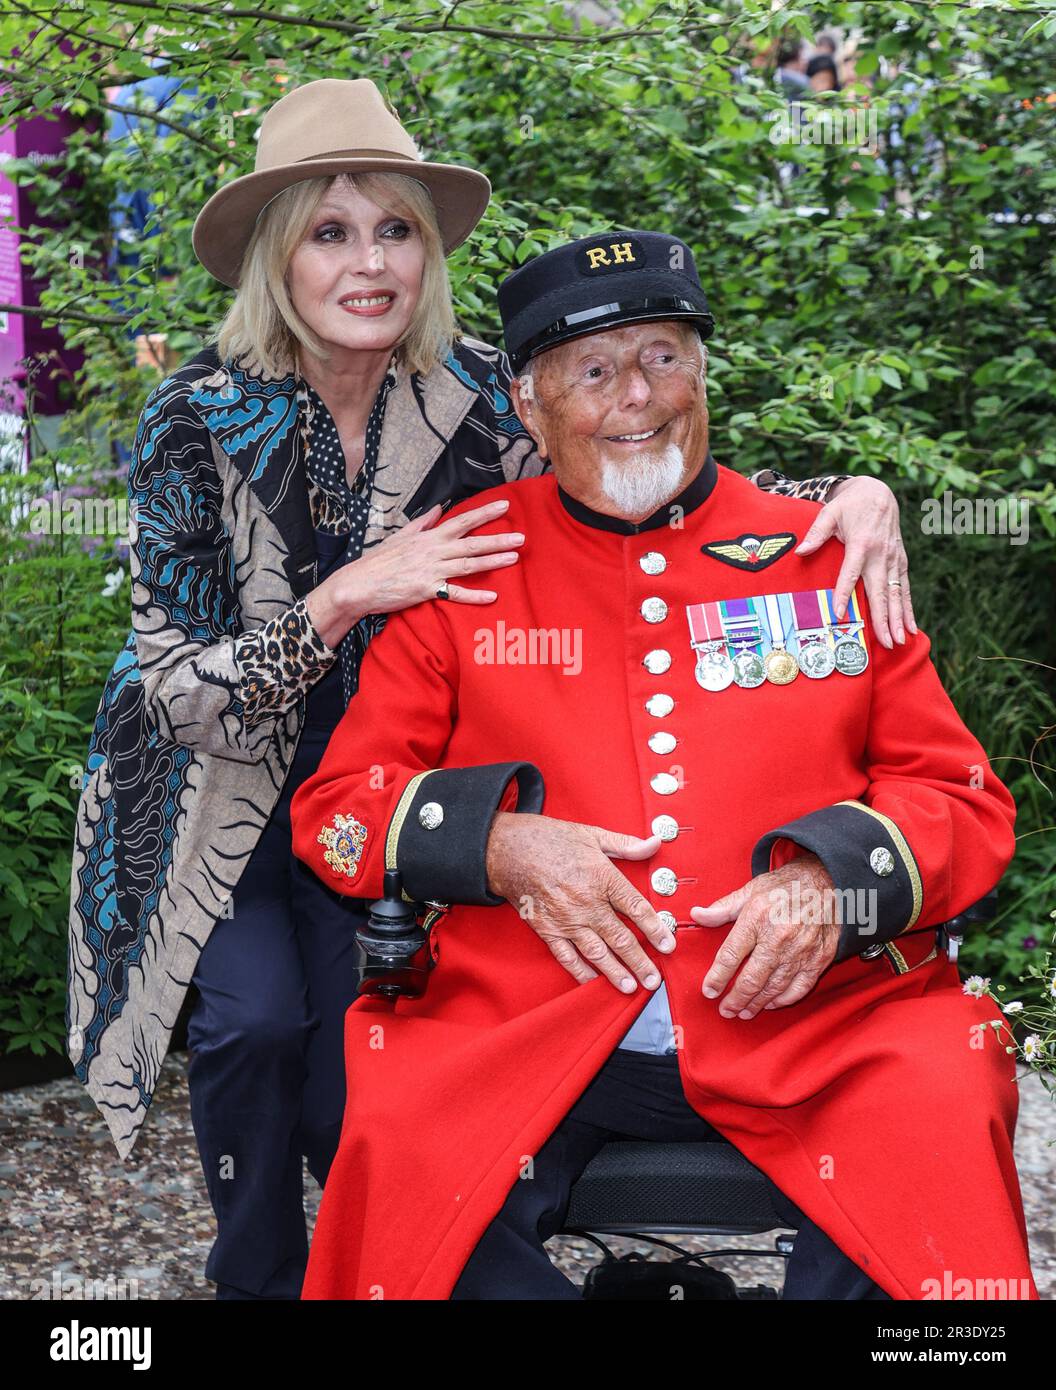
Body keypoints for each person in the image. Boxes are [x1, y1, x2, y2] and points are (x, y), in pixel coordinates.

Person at [66, 81, 913, 1302]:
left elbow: (647, 455)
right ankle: (253, 1274)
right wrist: (351, 593)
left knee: (371, 1064)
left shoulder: (479, 390)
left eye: (395, 229)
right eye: (330, 232)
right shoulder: (191, 418)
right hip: (225, 782)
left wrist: (853, 490)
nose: (369, 263)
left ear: (428, 251)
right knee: (253, 1028)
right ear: (275, 258)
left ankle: (388, 1256)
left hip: (403, 771)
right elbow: (177, 688)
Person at [290, 230, 1036, 1301]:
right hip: (530, 1023)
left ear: (702, 373)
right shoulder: (462, 567)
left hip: (818, 1018)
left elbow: (959, 800)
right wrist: (499, 844)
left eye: (665, 357)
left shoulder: (823, 553)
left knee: (944, 1111)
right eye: (591, 370)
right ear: (530, 404)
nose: (636, 396)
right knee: (404, 1153)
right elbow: (338, 812)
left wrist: (833, 881)